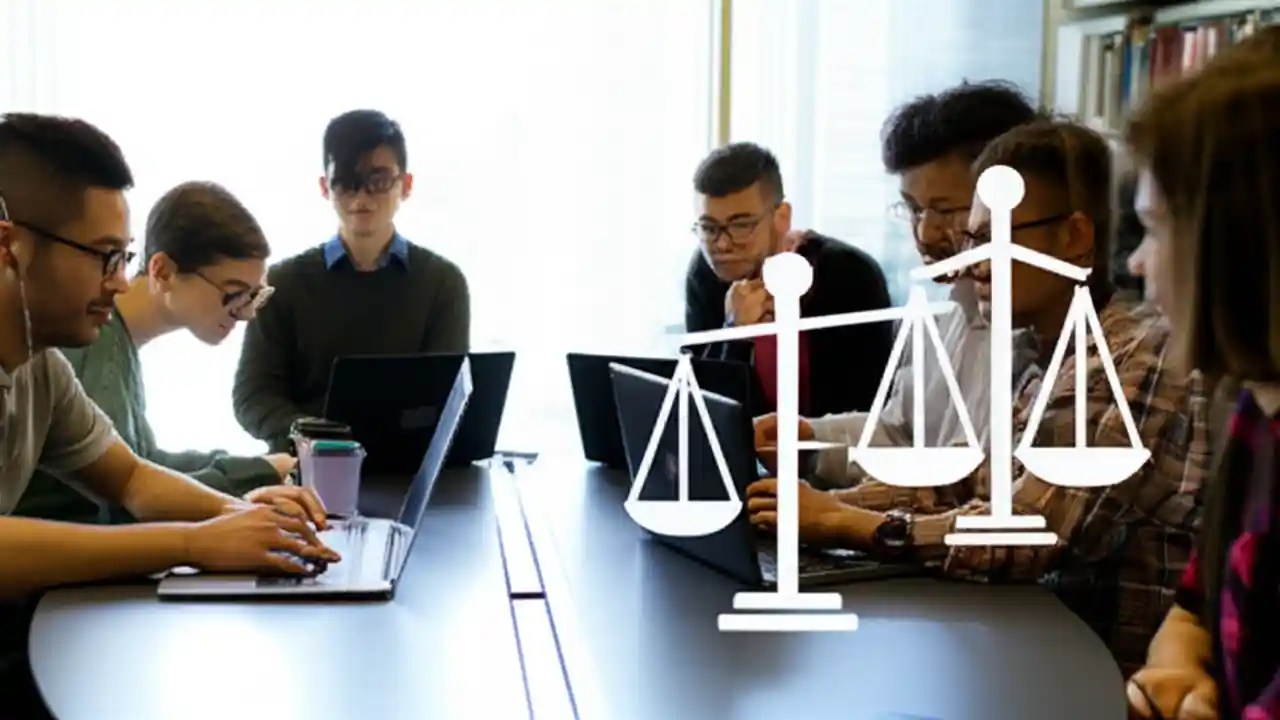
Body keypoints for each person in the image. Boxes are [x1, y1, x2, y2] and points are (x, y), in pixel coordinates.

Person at [747, 118, 1210, 677]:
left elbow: (1026, 533)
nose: (972, 261)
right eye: (972, 239)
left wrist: (846, 523)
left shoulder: (1134, 359)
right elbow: (967, 481)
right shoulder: (1040, 353)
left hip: (1103, 683)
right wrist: (819, 506)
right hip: (1028, 654)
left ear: (1073, 238)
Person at [0, 113, 338, 716]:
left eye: (124, 257)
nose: (118, 283)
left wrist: (242, 518)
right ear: (9, 248)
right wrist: (193, 541)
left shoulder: (41, 365)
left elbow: (131, 477)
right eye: (104, 257)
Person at [756, 81, 1043, 486]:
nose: (924, 232)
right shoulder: (944, 311)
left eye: (946, 211)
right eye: (913, 209)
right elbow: (903, 435)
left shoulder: (1040, 330)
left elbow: (975, 487)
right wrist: (808, 441)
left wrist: (839, 512)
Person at [1124, 30, 1280, 720]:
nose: (1136, 263)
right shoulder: (1255, 410)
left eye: (1156, 229)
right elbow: (1193, 605)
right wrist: (1179, 665)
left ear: (1240, 243)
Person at [13, 181, 295, 525]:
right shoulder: (92, 346)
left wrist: (256, 470)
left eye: (254, 296)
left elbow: (140, 465)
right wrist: (252, 478)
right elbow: (119, 503)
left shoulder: (118, 344)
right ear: (162, 272)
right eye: (234, 293)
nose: (247, 313)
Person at [234, 109, 470, 452]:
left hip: (408, 465)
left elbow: (449, 397)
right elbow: (252, 396)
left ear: (405, 185)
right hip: (306, 464)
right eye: (346, 182)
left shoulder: (442, 284)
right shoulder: (282, 284)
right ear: (325, 187)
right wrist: (317, 437)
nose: (361, 198)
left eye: (378, 181)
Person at [682, 141, 894, 420]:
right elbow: (701, 412)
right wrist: (734, 334)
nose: (721, 244)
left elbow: (869, 409)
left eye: (741, 225)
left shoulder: (849, 274)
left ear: (781, 217)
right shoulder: (704, 275)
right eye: (709, 228)